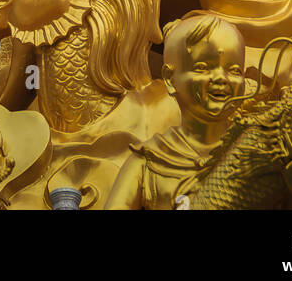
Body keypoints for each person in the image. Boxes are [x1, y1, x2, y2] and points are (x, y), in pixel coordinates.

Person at [105, 14, 246, 209]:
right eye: (203, 68)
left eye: (235, 70)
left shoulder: (256, 156)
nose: (221, 78)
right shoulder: (148, 163)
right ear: (170, 79)